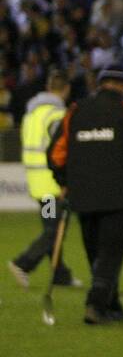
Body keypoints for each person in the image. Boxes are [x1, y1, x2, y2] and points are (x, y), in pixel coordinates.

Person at [47, 66, 123, 324]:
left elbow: (55, 153)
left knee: (97, 254)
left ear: (99, 85)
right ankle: (96, 305)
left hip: (83, 195)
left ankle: (112, 304)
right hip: (121, 193)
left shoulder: (76, 110)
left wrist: (63, 180)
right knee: (111, 253)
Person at [7, 73, 82, 289]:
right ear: (66, 90)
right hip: (52, 186)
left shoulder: (32, 114)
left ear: (48, 87)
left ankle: (60, 274)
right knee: (54, 230)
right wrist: (66, 179)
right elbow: (62, 151)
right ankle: (23, 263)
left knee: (53, 229)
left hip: (38, 184)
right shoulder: (57, 116)